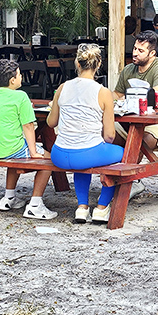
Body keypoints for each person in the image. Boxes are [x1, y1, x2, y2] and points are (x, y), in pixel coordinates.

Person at [48, 43, 124, 224]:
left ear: (77, 63)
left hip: (59, 153)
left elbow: (51, 123)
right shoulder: (103, 92)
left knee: (84, 155)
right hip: (86, 153)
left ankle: (82, 207)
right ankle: (102, 207)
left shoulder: (62, 87)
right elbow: (110, 136)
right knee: (124, 153)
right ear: (98, 65)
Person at [0, 58, 57, 220]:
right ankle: (35, 205)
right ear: (13, 80)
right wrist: (34, 152)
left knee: (16, 150)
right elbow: (28, 126)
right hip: (9, 148)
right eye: (20, 74)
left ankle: (9, 198)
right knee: (50, 161)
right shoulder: (21, 97)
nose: (21, 77)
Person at [113, 30, 158, 154]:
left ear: (152, 53)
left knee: (140, 143)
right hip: (129, 122)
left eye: (141, 51)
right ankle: (113, 169)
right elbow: (116, 95)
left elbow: (156, 93)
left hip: (157, 123)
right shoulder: (128, 69)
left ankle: (128, 171)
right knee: (103, 131)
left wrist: (127, 98)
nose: (135, 53)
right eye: (135, 48)